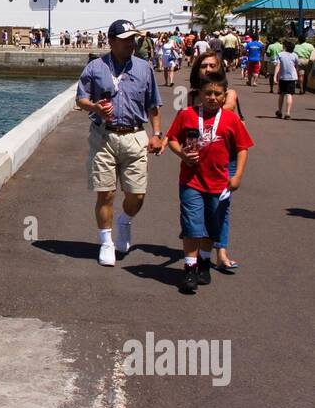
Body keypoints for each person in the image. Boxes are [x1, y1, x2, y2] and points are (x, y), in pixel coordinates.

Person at [76, 19, 165, 267]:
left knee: (137, 194)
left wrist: (157, 134)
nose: (131, 44)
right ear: (112, 41)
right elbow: (81, 98)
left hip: (135, 135)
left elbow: (153, 104)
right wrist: (94, 107)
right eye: (126, 40)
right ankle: (106, 242)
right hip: (103, 136)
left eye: (133, 39)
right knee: (106, 193)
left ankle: (124, 220)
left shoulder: (144, 68)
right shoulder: (95, 67)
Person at [167, 72, 253, 294]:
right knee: (191, 225)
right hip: (191, 180)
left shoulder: (231, 119)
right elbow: (173, 139)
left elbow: (243, 148)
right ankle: (189, 268)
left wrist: (238, 176)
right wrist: (182, 155)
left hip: (219, 182)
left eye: (217, 93)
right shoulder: (187, 114)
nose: (212, 97)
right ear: (199, 95)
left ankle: (204, 263)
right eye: (208, 93)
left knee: (210, 227)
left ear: (225, 96)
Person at [188, 52, 242, 273]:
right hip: (201, 157)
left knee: (221, 206)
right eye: (203, 66)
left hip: (226, 155)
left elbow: (223, 109)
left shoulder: (229, 94)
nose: (208, 69)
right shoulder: (192, 95)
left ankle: (221, 252)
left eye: (212, 65)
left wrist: (209, 98)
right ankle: (203, 248)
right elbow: (189, 124)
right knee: (199, 205)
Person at [275, 39, 299, 120]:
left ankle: (279, 111)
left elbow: (278, 66)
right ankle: (288, 113)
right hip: (292, 77)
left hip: (283, 77)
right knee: (289, 94)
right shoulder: (295, 55)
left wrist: (275, 76)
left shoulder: (280, 54)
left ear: (285, 47)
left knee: (281, 94)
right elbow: (296, 66)